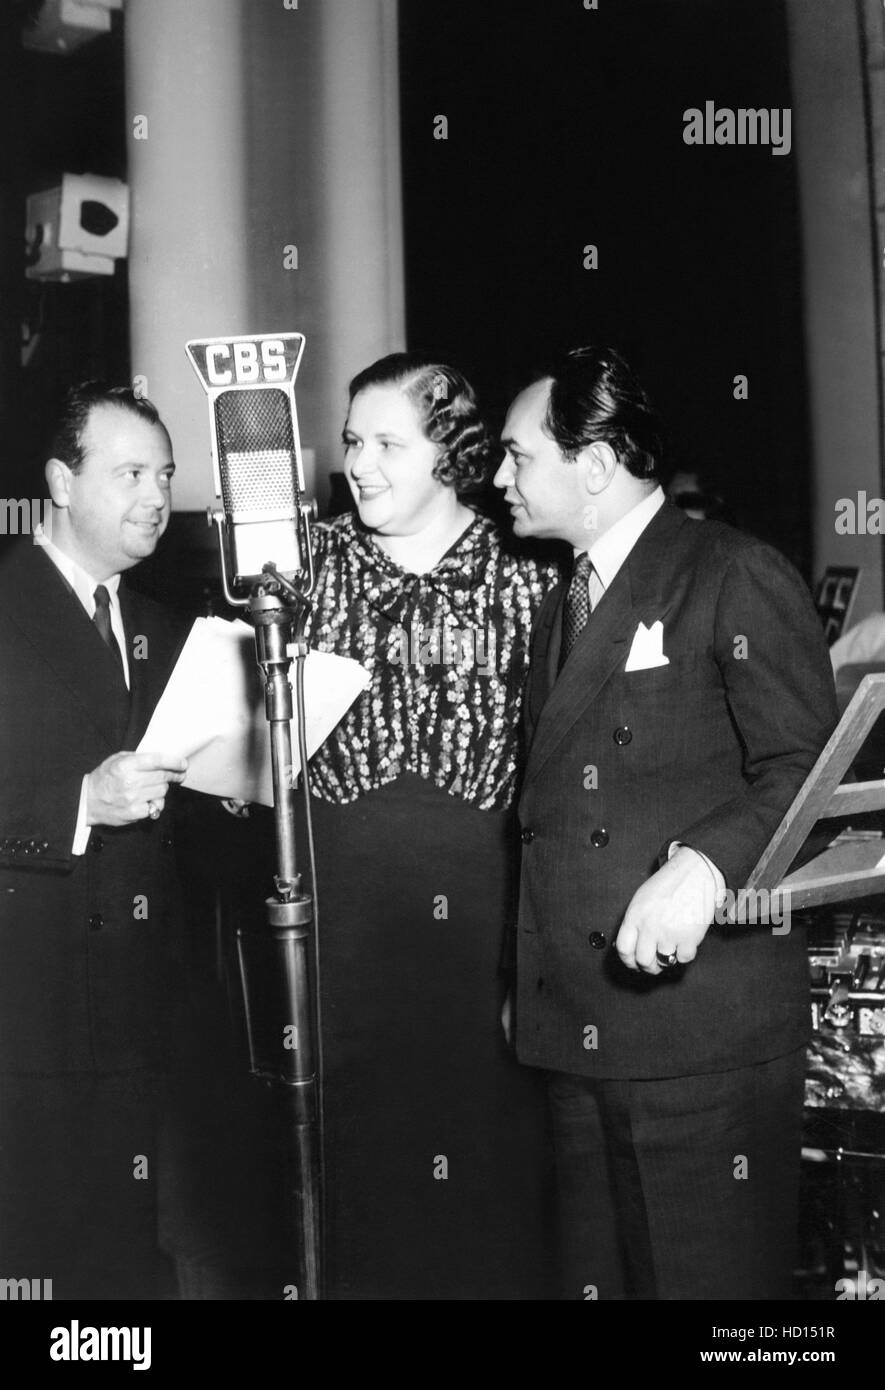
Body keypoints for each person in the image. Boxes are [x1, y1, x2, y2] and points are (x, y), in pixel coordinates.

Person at [494, 346, 839, 1301]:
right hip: (578, 1024)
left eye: (518, 456)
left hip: (697, 1043)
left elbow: (804, 768)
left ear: (594, 465)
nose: (497, 479)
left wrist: (704, 864)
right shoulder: (564, 599)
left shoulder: (730, 572)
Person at [299, 352, 559, 1299]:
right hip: (342, 928)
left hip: (483, 924)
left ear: (450, 452)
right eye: (352, 442)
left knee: (485, 1166)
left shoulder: (528, 575)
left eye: (386, 444)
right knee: (358, 1173)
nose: (359, 464)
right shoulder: (304, 564)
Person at [0, 383, 191, 1299]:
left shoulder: (159, 626)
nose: (154, 494)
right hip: (20, 1012)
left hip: (132, 1011)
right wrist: (75, 800)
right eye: (128, 473)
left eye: (163, 474)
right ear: (59, 484)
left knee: (120, 1259)